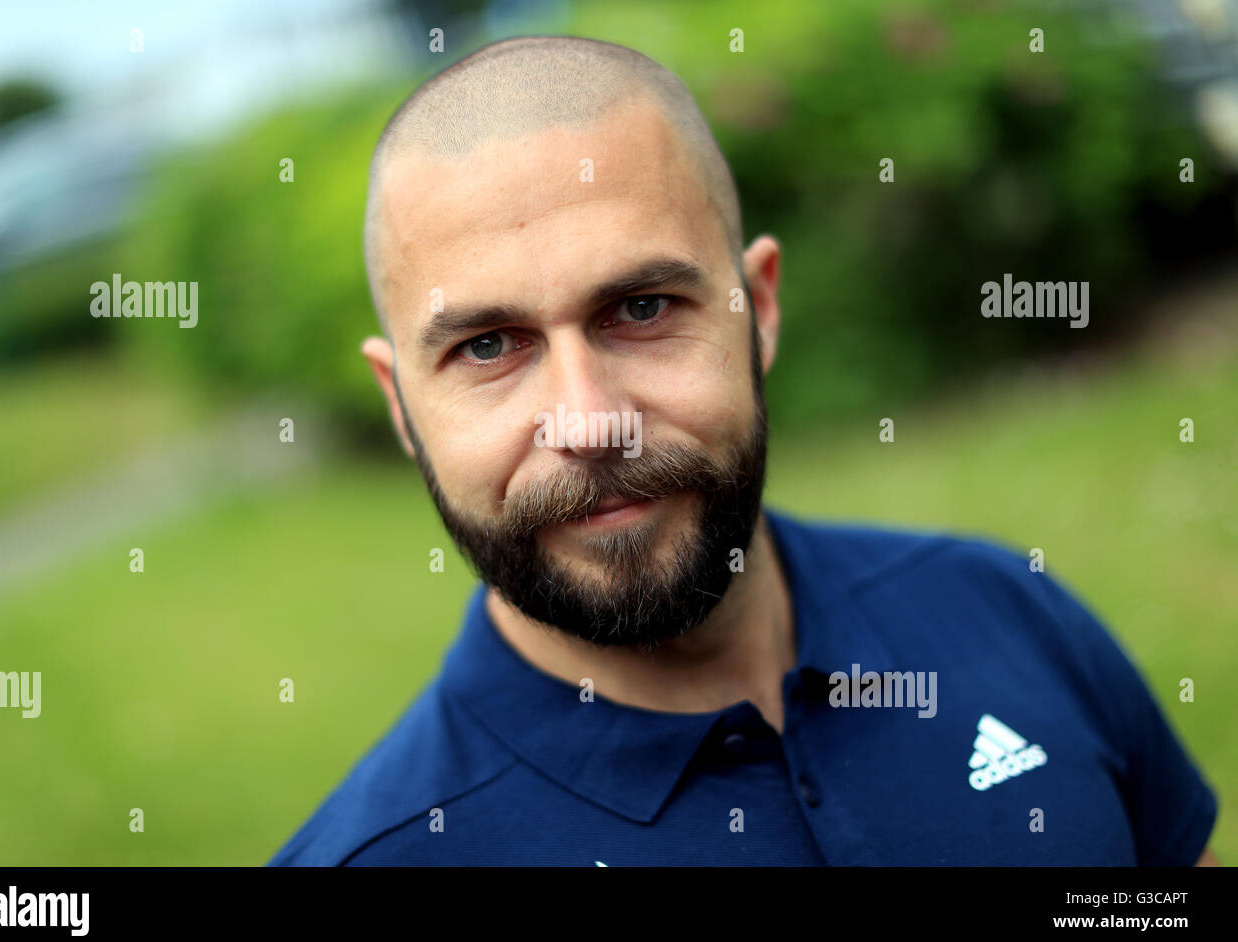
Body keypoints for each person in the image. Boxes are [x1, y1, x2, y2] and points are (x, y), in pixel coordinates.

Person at [270, 35, 1219, 866]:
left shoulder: (1005, 613)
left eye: (641, 309)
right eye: (487, 347)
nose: (588, 421)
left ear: (756, 307)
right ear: (401, 404)